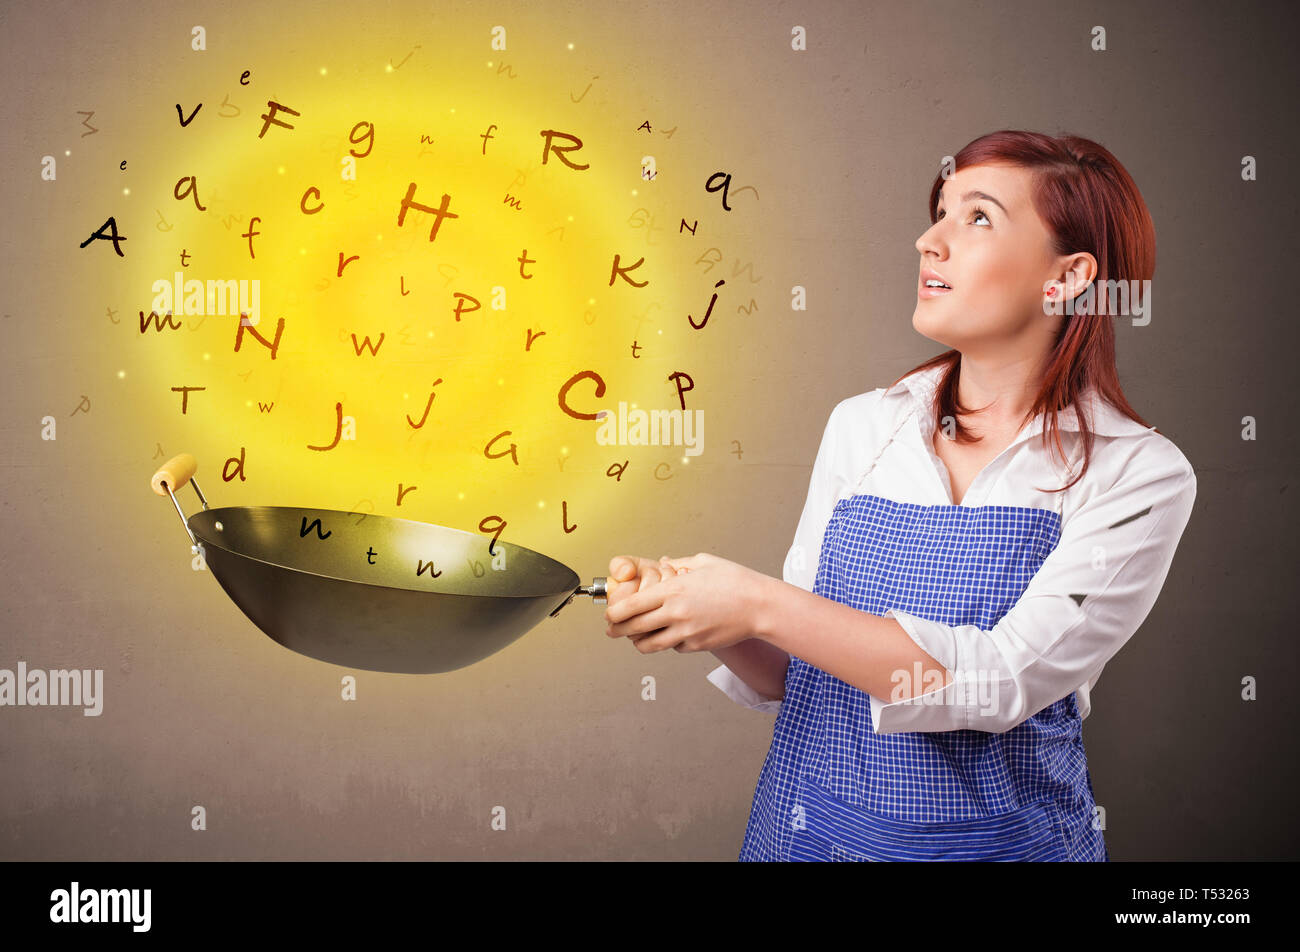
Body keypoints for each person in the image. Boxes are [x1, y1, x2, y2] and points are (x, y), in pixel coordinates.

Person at [603, 129, 1198, 862]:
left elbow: (1000, 682)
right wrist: (703, 612)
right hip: (809, 833)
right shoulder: (864, 426)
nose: (928, 241)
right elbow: (803, 668)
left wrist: (756, 601)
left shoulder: (1137, 474)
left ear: (1068, 276)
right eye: (939, 211)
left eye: (976, 217)